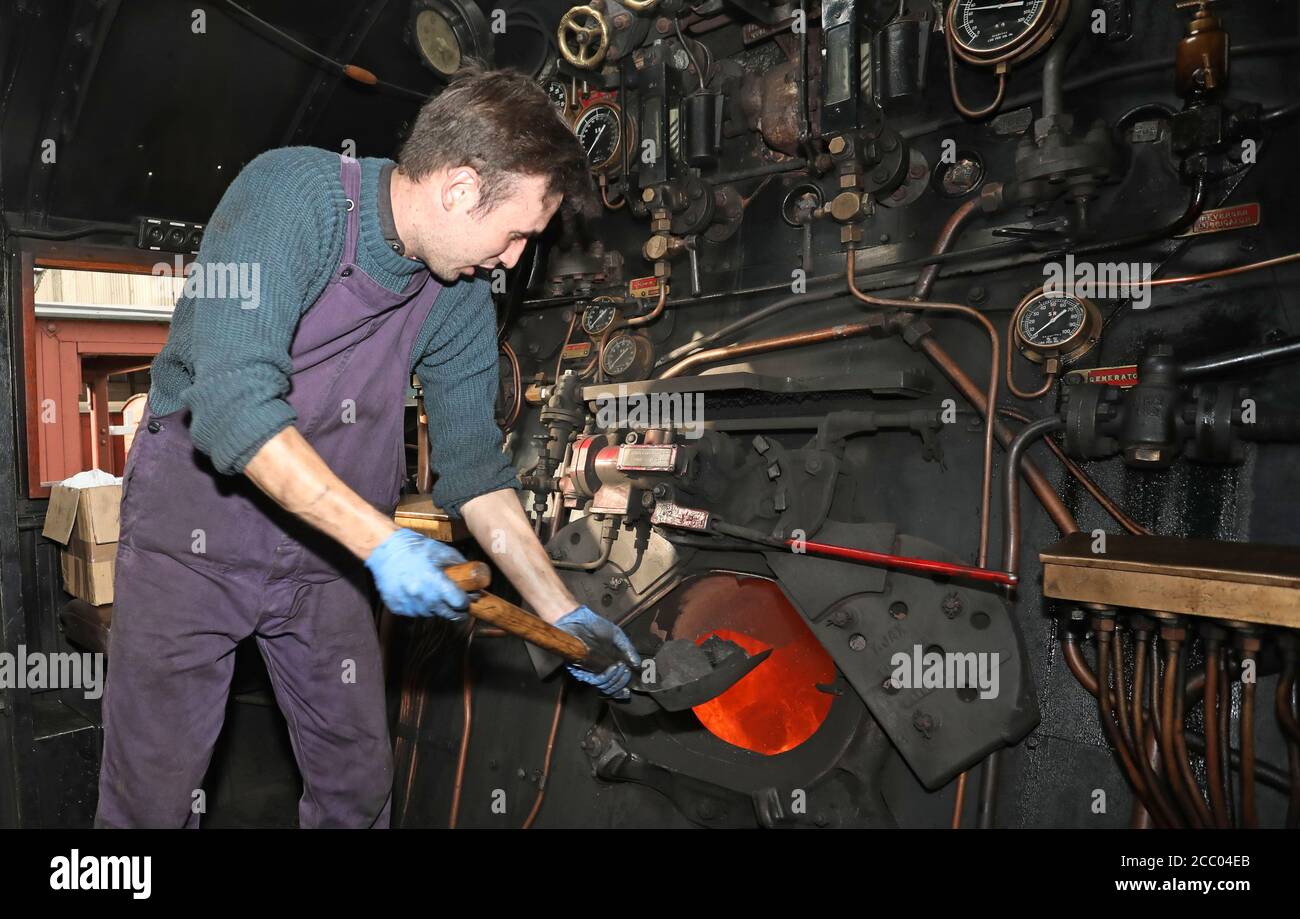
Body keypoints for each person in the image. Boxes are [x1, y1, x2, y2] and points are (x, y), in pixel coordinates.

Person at [95, 66, 639, 829]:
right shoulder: (289, 198)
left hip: (327, 559)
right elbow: (234, 405)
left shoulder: (455, 295)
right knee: (149, 800)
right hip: (195, 541)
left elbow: (477, 472)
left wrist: (562, 609)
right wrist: (383, 543)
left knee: (357, 785)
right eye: (517, 233)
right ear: (458, 188)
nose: (516, 259)